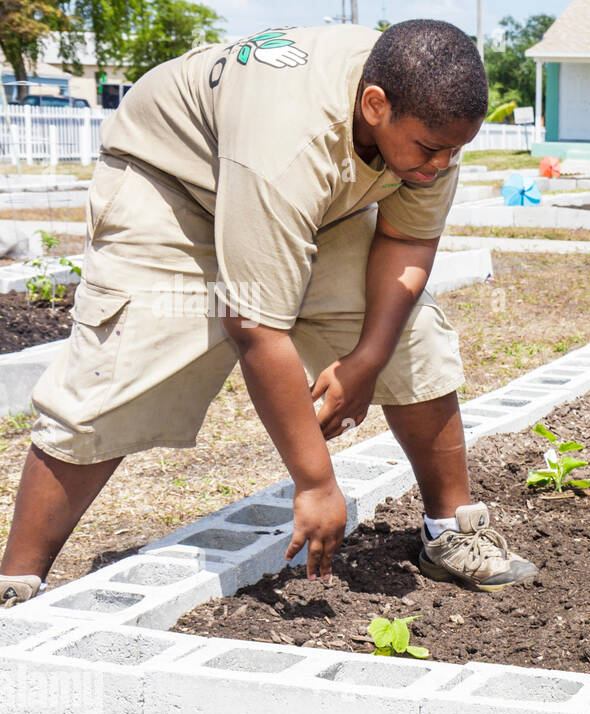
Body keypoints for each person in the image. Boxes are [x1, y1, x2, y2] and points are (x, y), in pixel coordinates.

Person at [0, 20, 536, 604]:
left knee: (415, 338)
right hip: (174, 188)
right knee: (115, 370)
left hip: (301, 197)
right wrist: (315, 482)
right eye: (431, 150)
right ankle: (15, 582)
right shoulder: (290, 142)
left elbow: (407, 242)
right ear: (375, 105)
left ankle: (450, 533)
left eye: (455, 149)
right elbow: (253, 323)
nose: (440, 165)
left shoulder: (429, 118)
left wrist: (366, 360)